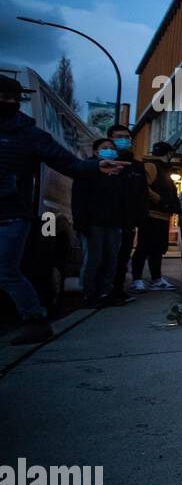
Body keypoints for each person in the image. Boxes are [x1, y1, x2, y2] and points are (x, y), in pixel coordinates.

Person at [0, 74, 122, 343]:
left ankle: (35, 319)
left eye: (11, 98)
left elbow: (68, 163)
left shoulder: (30, 135)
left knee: (6, 270)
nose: (7, 103)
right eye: (2, 97)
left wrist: (95, 166)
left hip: (11, 214)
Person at [71, 138, 127, 308]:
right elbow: (78, 199)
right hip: (92, 223)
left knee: (110, 260)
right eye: (104, 148)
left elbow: (123, 200)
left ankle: (105, 292)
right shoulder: (87, 171)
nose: (109, 150)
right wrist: (80, 223)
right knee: (93, 260)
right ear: (96, 152)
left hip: (113, 224)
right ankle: (88, 294)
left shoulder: (119, 173)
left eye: (112, 148)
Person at [105, 123, 148, 305]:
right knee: (106, 256)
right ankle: (102, 290)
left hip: (128, 219)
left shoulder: (137, 166)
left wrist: (141, 218)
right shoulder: (103, 163)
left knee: (123, 256)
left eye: (126, 137)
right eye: (118, 136)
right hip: (107, 219)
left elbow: (142, 194)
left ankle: (118, 289)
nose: (123, 140)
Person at [129, 142, 180, 291]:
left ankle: (156, 279)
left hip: (162, 216)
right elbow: (144, 186)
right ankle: (137, 279)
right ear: (169, 154)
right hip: (151, 215)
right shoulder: (152, 166)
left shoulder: (161, 168)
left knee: (157, 249)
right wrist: (159, 199)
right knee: (143, 247)